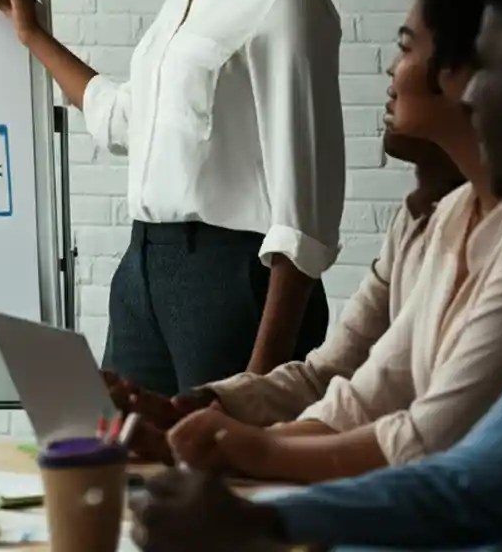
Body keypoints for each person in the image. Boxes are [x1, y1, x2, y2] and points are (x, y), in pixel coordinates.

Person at [129, 0, 502, 552]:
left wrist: (257, 469)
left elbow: (446, 465)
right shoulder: (444, 215)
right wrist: (208, 425)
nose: (478, 95)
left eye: (407, 47)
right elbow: (358, 392)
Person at [0, 0, 346, 395]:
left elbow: (304, 222)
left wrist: (259, 385)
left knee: (218, 475)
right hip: (142, 271)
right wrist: (32, 35)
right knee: (126, 457)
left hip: (230, 283)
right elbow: (126, 117)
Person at [103, 129, 462, 462]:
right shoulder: (416, 222)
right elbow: (325, 377)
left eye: (411, 54)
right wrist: (197, 406)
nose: (392, 69)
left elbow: (390, 417)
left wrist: (235, 448)